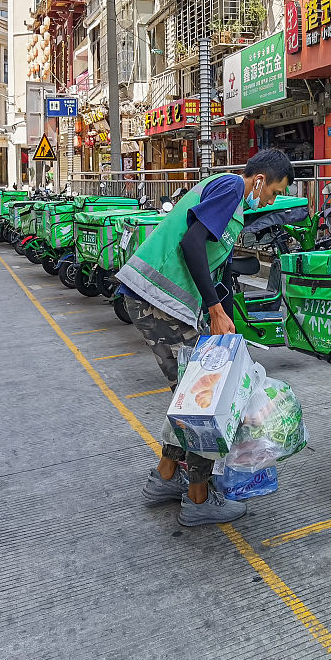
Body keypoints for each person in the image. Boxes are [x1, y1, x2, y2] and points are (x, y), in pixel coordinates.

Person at [117, 149, 294, 527]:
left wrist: (221, 310)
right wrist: (214, 310)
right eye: (274, 192)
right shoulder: (231, 187)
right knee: (204, 406)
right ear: (259, 179)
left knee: (191, 398)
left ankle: (166, 476)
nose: (271, 200)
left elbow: (213, 263)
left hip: (160, 302)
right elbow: (192, 244)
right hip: (158, 300)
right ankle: (198, 500)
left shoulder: (233, 206)